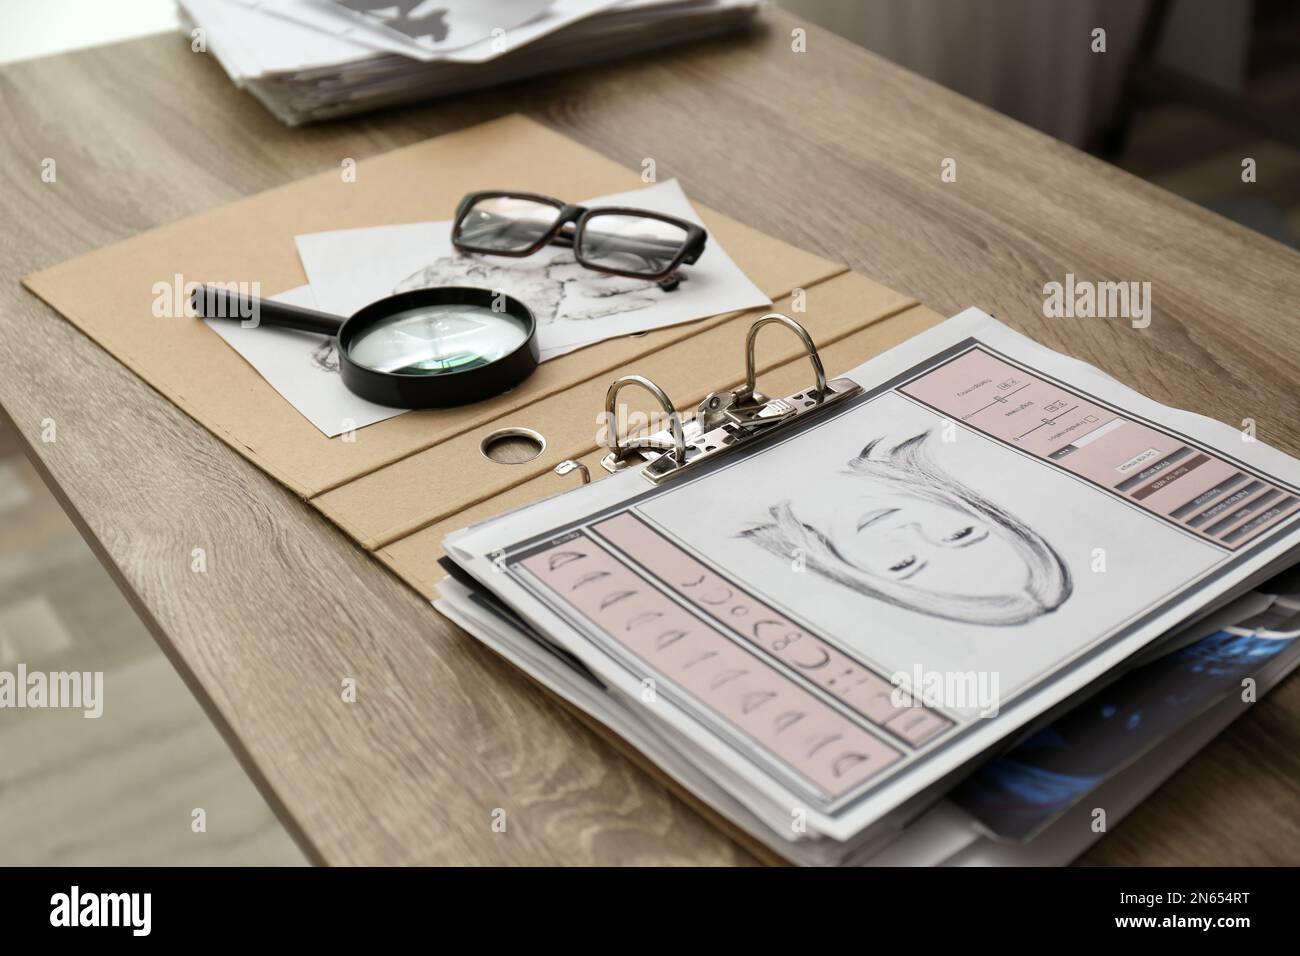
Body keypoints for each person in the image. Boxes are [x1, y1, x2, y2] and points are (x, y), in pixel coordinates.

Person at [741, 430, 1073, 626]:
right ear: (980, 513)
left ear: (855, 571)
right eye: (959, 535)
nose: (910, 532)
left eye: (903, 564)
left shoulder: (746, 525)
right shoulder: (918, 438)